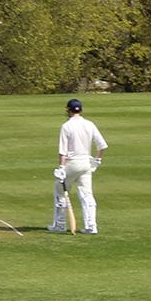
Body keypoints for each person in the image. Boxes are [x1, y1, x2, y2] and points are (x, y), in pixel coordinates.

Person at [54, 97, 108, 235]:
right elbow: (102, 146)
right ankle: (91, 226)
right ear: (81, 110)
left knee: (59, 191)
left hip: (72, 164)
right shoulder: (89, 124)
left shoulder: (66, 126)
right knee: (87, 194)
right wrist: (97, 161)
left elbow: (63, 151)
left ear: (68, 110)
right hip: (86, 164)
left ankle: (60, 225)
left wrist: (61, 168)